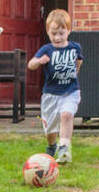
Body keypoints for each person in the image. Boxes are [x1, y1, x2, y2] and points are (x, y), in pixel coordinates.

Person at [28, 10, 83, 163]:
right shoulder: (46, 49)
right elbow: (30, 64)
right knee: (50, 130)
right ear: (48, 32)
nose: (57, 37)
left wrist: (74, 73)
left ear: (69, 31)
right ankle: (52, 145)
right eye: (54, 33)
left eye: (61, 33)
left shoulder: (75, 48)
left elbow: (79, 62)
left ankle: (64, 149)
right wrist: (39, 61)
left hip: (70, 91)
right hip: (50, 94)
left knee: (66, 115)